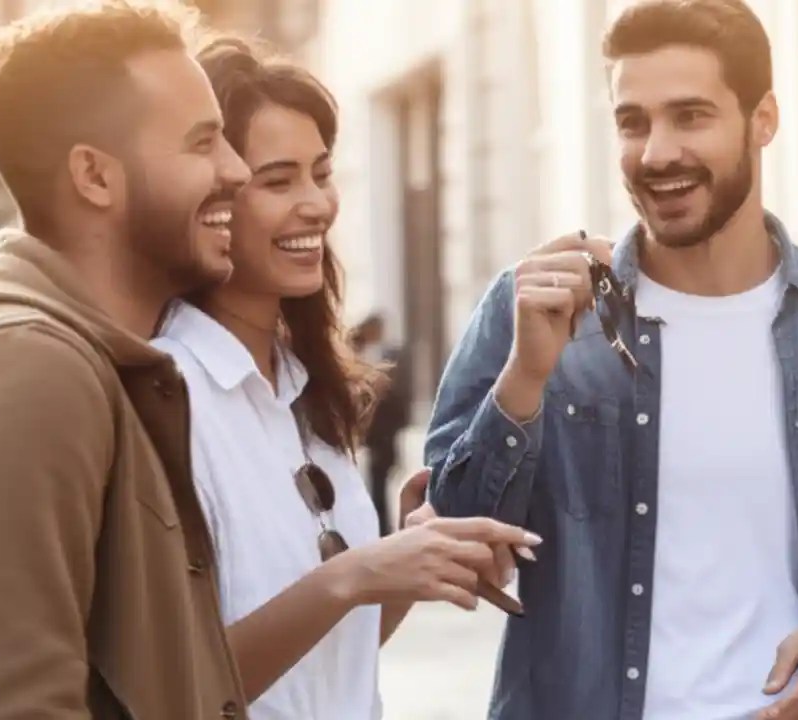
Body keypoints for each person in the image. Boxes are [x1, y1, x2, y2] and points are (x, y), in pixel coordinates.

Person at [422, 1, 798, 718]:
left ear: (764, 120)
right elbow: (451, 537)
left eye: (690, 115)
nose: (656, 152)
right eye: (633, 121)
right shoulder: (535, 313)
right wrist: (526, 378)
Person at [151, 37, 538, 720]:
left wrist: (413, 561)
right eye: (278, 181)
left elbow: (340, 654)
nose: (316, 205)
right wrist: (354, 574)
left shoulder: (302, 390)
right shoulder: (169, 394)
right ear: (212, 199)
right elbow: (173, 686)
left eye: (321, 173)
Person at [0, 2, 255, 717]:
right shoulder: (27, 372)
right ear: (95, 177)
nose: (236, 170)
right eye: (202, 144)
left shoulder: (81, 361)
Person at [352, 312, 413, 535]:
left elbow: (400, 395)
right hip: (373, 433)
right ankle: (379, 527)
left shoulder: (391, 355)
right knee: (374, 484)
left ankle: (382, 527)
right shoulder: (357, 353)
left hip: (386, 432)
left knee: (382, 480)